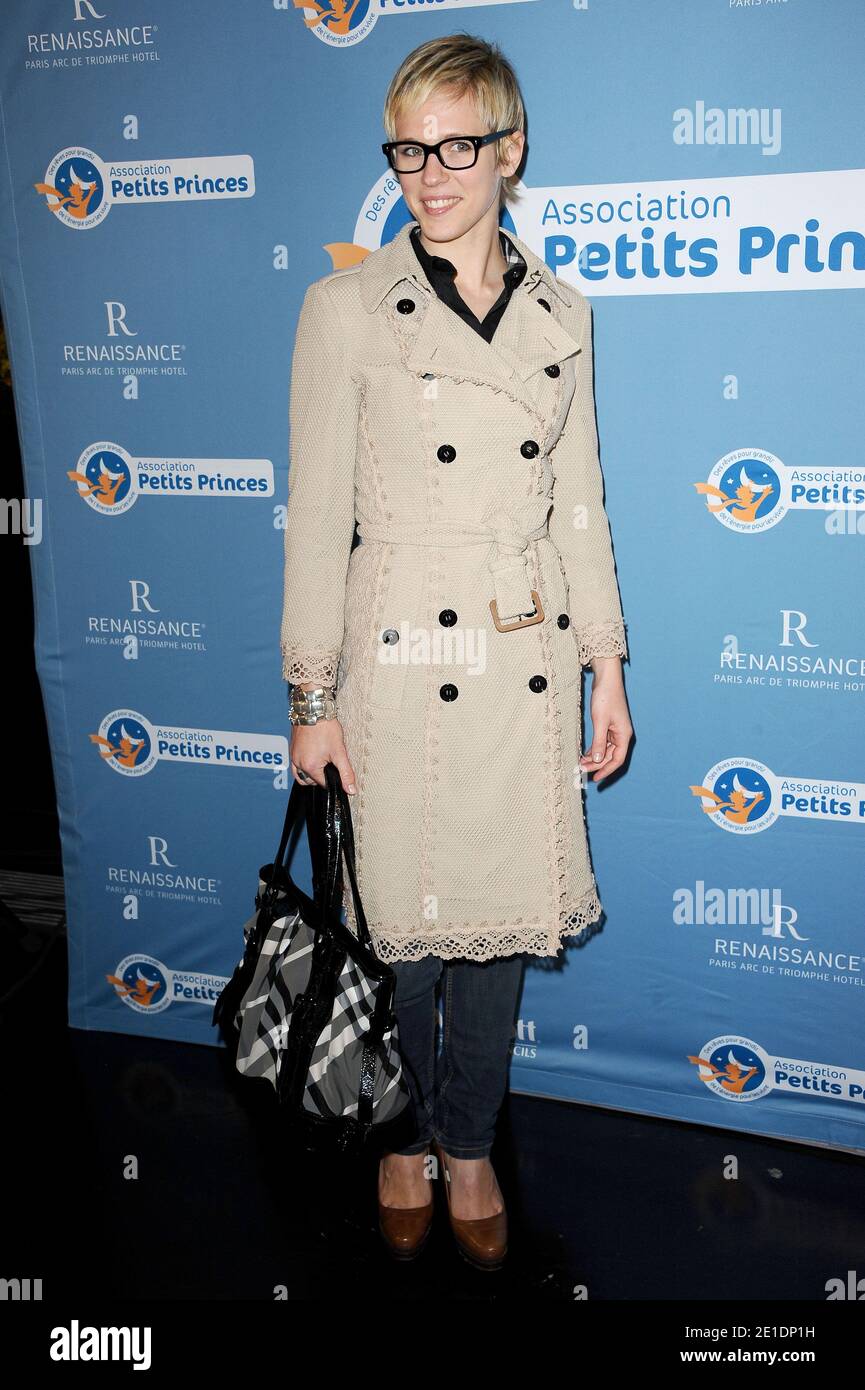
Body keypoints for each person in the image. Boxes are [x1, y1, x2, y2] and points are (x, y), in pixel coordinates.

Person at [280, 33, 634, 1269]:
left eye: (458, 146)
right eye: (409, 149)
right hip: (390, 653)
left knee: (498, 924)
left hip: (520, 644)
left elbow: (579, 503)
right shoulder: (343, 308)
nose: (430, 174)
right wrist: (309, 694)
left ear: (509, 149)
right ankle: (400, 1128)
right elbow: (319, 514)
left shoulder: (561, 314)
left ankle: (469, 1139)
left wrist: (607, 659)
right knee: (403, 931)